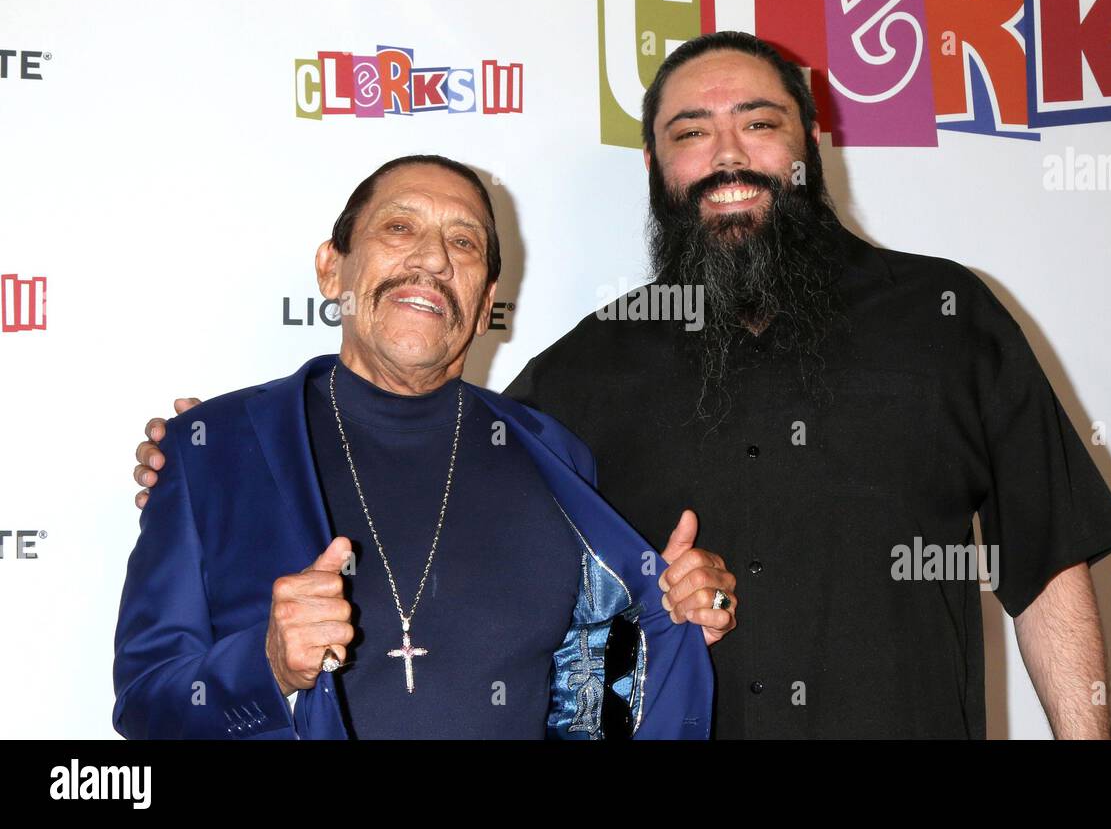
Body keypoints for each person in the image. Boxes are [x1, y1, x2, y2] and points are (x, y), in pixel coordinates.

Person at [134, 32, 1111, 739]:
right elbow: (417, 434)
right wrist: (217, 461)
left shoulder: (948, 318)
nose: (727, 154)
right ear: (659, 167)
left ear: (809, 146)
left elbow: (1042, 559)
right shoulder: (581, 375)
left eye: (759, 121)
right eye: (691, 131)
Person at [114, 154, 733, 740]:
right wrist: (268, 666)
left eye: (463, 243)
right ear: (333, 268)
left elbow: (591, 691)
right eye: (400, 226)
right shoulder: (211, 449)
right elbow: (145, 700)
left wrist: (674, 615)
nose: (433, 258)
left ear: (487, 301)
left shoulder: (556, 458)